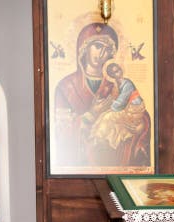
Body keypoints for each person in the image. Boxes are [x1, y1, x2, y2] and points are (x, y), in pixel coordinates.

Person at [53, 23, 151, 169]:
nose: (101, 54)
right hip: (80, 170)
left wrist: (138, 124)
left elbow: (142, 117)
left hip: (114, 162)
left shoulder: (117, 84)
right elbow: (61, 134)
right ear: (84, 48)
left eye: (107, 50)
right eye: (97, 46)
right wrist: (93, 114)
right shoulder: (66, 87)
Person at [89, 62, 149, 152]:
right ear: (111, 75)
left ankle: (100, 137)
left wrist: (109, 105)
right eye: (115, 72)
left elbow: (120, 102)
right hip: (127, 108)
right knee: (105, 115)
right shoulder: (117, 84)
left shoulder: (127, 83)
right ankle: (99, 139)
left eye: (119, 70)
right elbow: (116, 101)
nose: (119, 73)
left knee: (107, 116)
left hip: (134, 110)